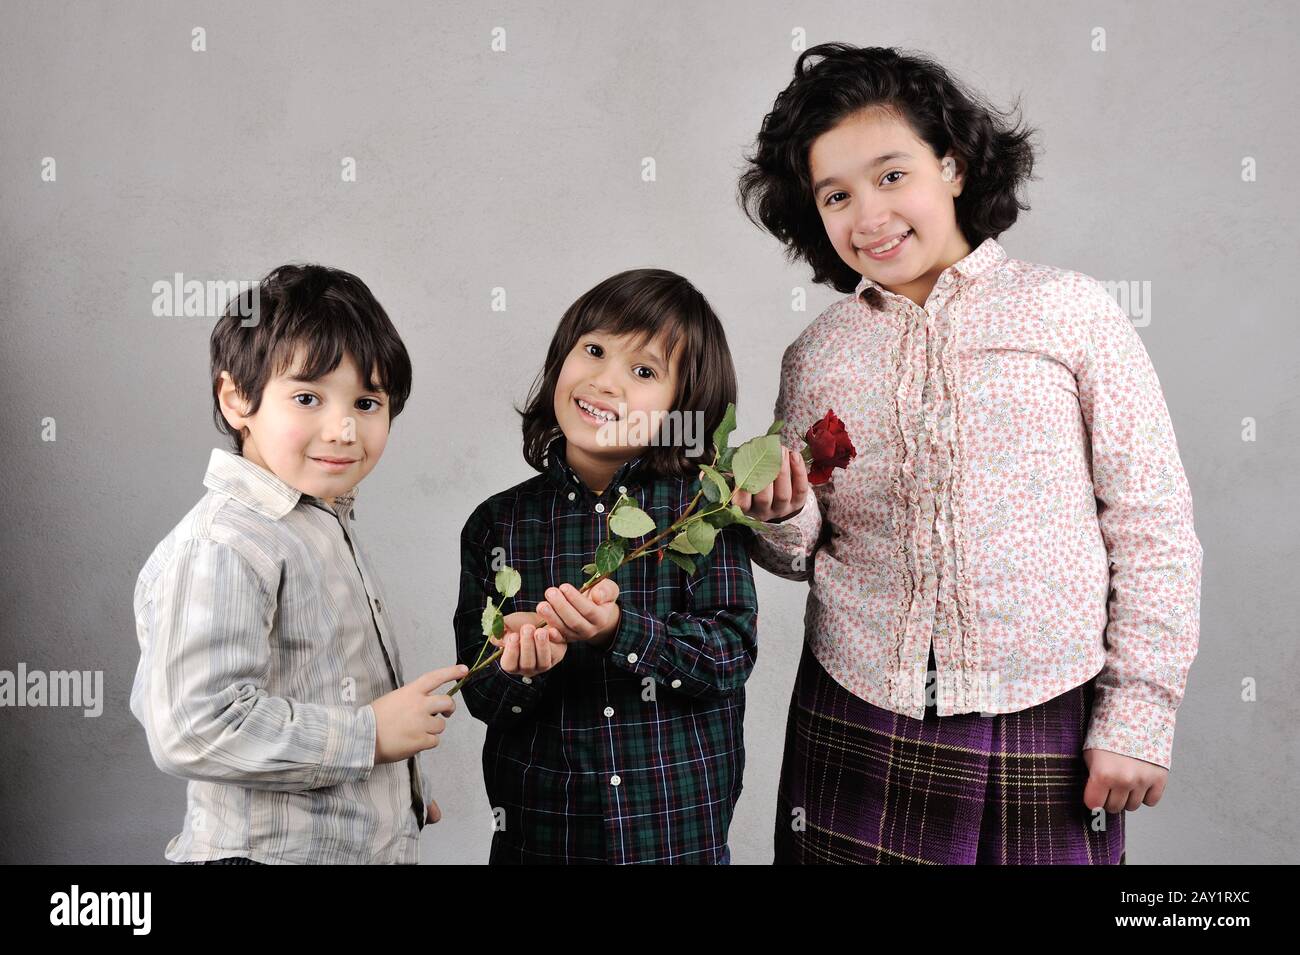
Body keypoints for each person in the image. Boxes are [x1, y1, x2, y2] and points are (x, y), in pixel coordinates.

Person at [735, 43, 1203, 864]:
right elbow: (799, 550)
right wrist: (780, 512)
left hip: (1043, 713)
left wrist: (1140, 712)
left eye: (890, 175)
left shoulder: (1071, 312)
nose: (868, 215)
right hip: (855, 710)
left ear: (952, 166)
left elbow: (1153, 523)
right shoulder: (815, 354)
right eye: (836, 194)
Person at [131, 263, 466, 864]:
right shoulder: (225, 543)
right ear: (238, 399)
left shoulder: (316, 521)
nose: (342, 429)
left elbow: (329, 684)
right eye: (308, 397)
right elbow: (192, 725)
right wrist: (370, 737)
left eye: (367, 402)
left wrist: (399, 797)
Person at [453, 268, 758, 864]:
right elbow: (482, 693)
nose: (604, 381)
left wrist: (622, 632)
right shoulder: (498, 525)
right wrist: (522, 666)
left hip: (676, 841)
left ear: (682, 407)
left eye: (643, 372)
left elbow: (730, 655)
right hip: (542, 842)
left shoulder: (703, 509)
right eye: (593, 350)